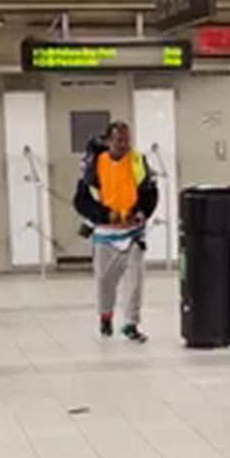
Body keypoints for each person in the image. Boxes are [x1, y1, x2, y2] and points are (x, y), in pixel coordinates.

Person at [73, 120, 158, 343]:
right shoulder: (95, 165)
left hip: (132, 233)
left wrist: (141, 212)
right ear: (109, 141)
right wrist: (104, 215)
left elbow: (150, 193)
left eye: (127, 140)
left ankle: (131, 323)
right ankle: (105, 317)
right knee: (105, 280)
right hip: (105, 233)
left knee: (135, 279)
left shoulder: (137, 161)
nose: (123, 144)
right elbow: (81, 200)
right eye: (119, 140)